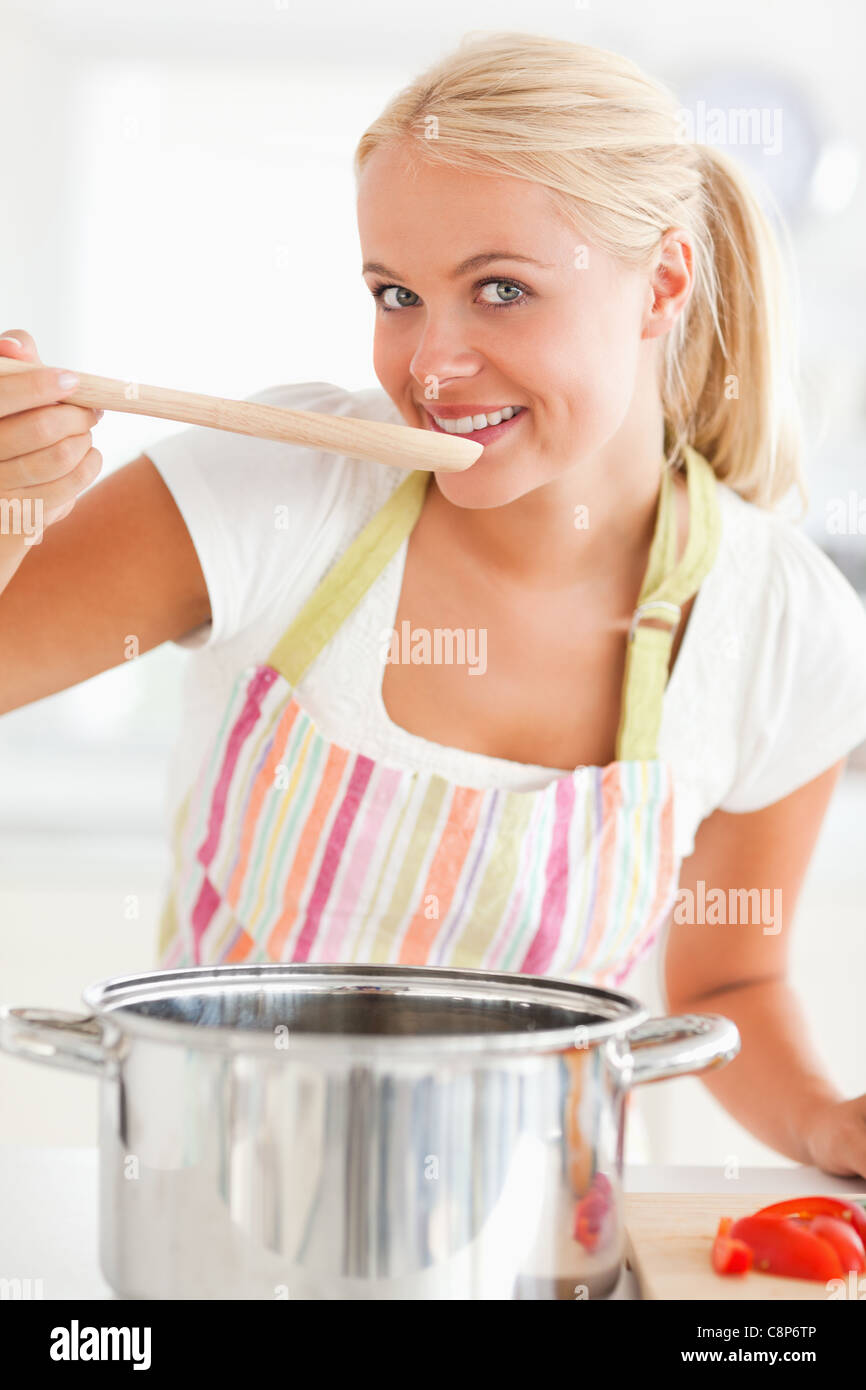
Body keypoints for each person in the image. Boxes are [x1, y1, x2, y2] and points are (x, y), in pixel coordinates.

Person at [1, 32, 865, 1178]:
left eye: (499, 289)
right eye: (395, 294)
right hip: (215, 1220)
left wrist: (828, 1125)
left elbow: (726, 982)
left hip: (539, 1239)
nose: (432, 363)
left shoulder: (780, 627)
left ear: (662, 280)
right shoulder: (273, 497)